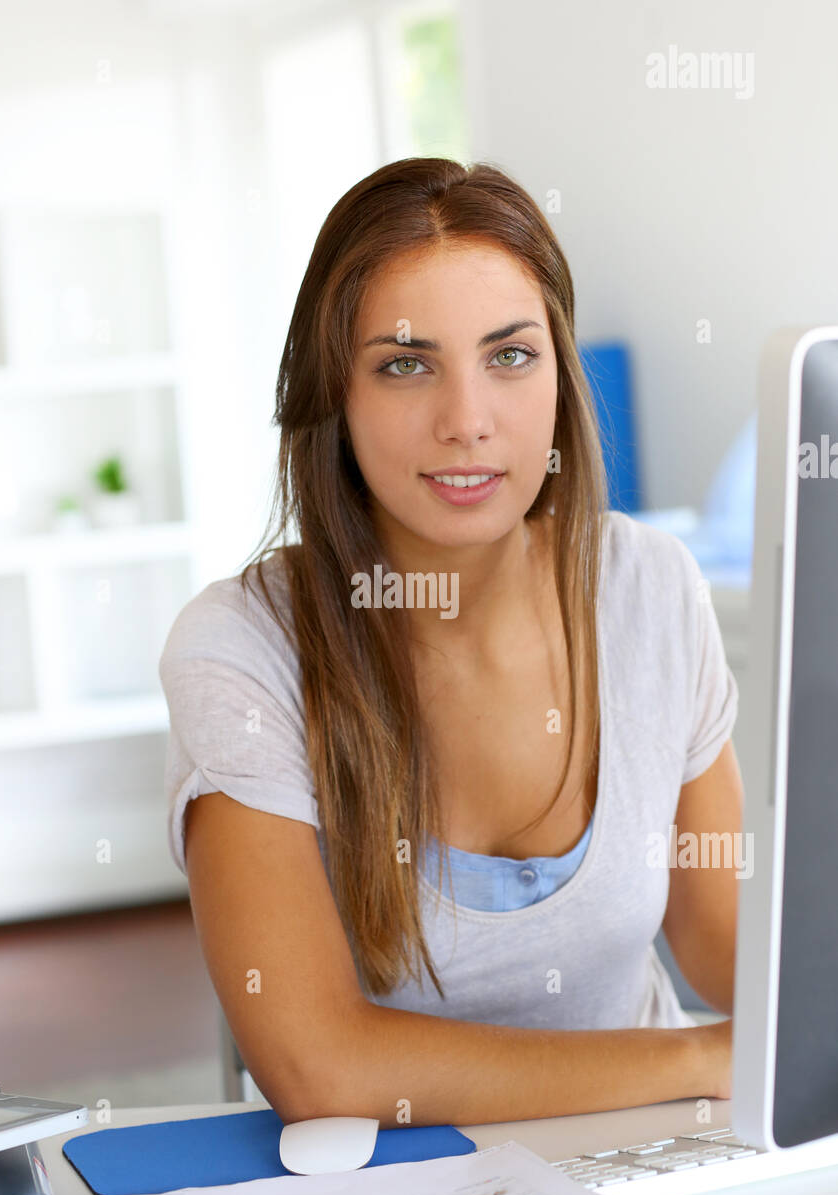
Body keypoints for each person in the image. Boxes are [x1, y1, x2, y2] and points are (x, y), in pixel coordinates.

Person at [158, 157, 740, 1127]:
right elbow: (320, 1065)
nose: (466, 421)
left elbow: (723, 944)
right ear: (333, 396)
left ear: (558, 371)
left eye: (508, 356)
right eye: (403, 363)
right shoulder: (241, 649)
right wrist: (692, 1057)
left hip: (655, 1169)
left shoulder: (650, 588)